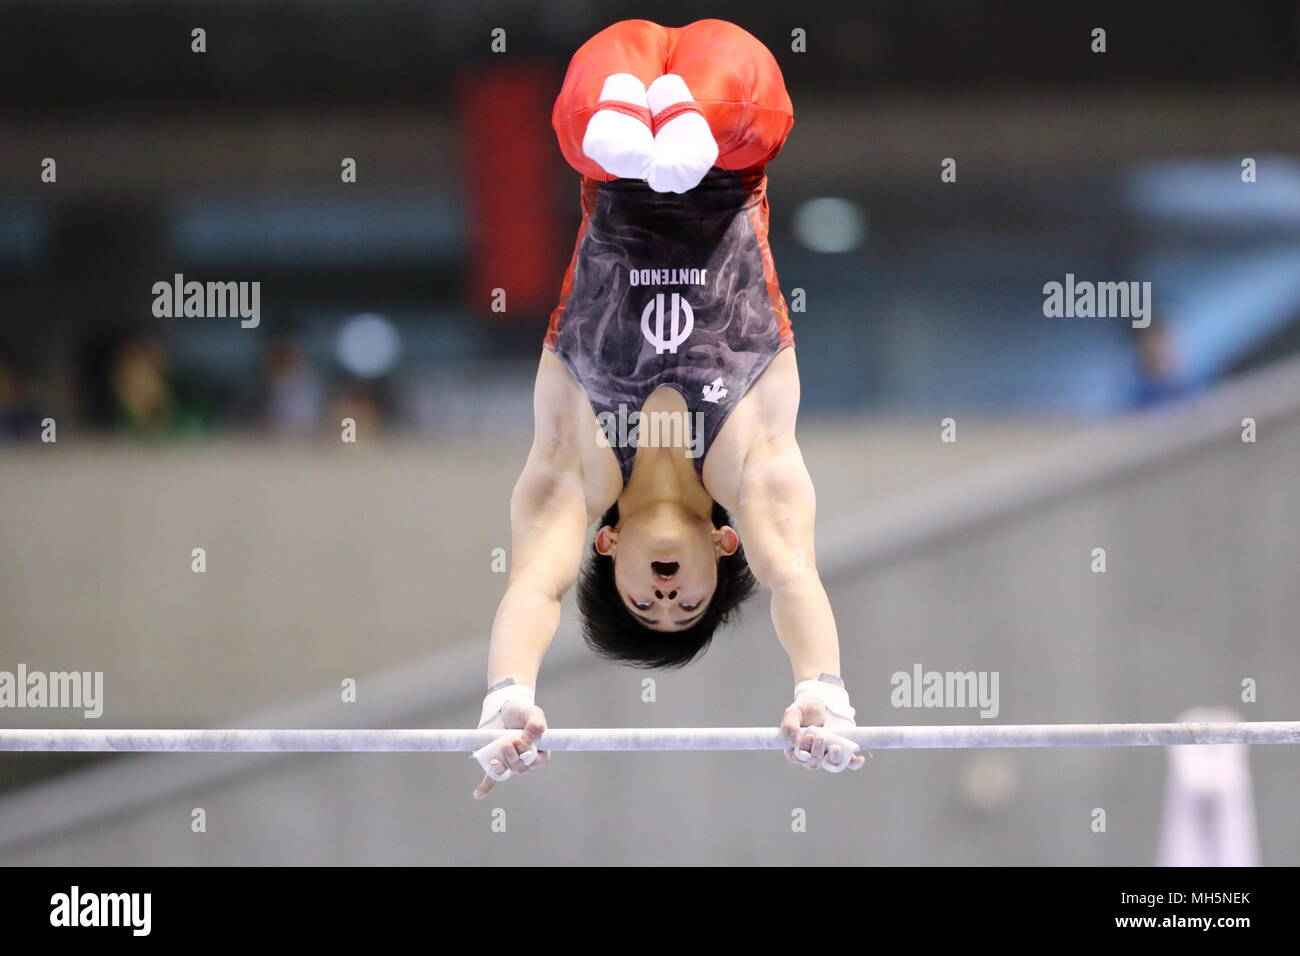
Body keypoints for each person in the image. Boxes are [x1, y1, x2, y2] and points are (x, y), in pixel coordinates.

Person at [473, 19, 864, 798]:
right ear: (725, 546)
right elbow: (791, 573)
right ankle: (685, 116)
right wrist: (822, 694)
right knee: (726, 110)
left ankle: (633, 117)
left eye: (641, 602)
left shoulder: (578, 466)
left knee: (587, 127)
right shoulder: (749, 461)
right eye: (685, 605)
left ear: (608, 545)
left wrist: (507, 699)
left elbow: (535, 586)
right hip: (732, 141)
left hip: (607, 149)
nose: (662, 595)